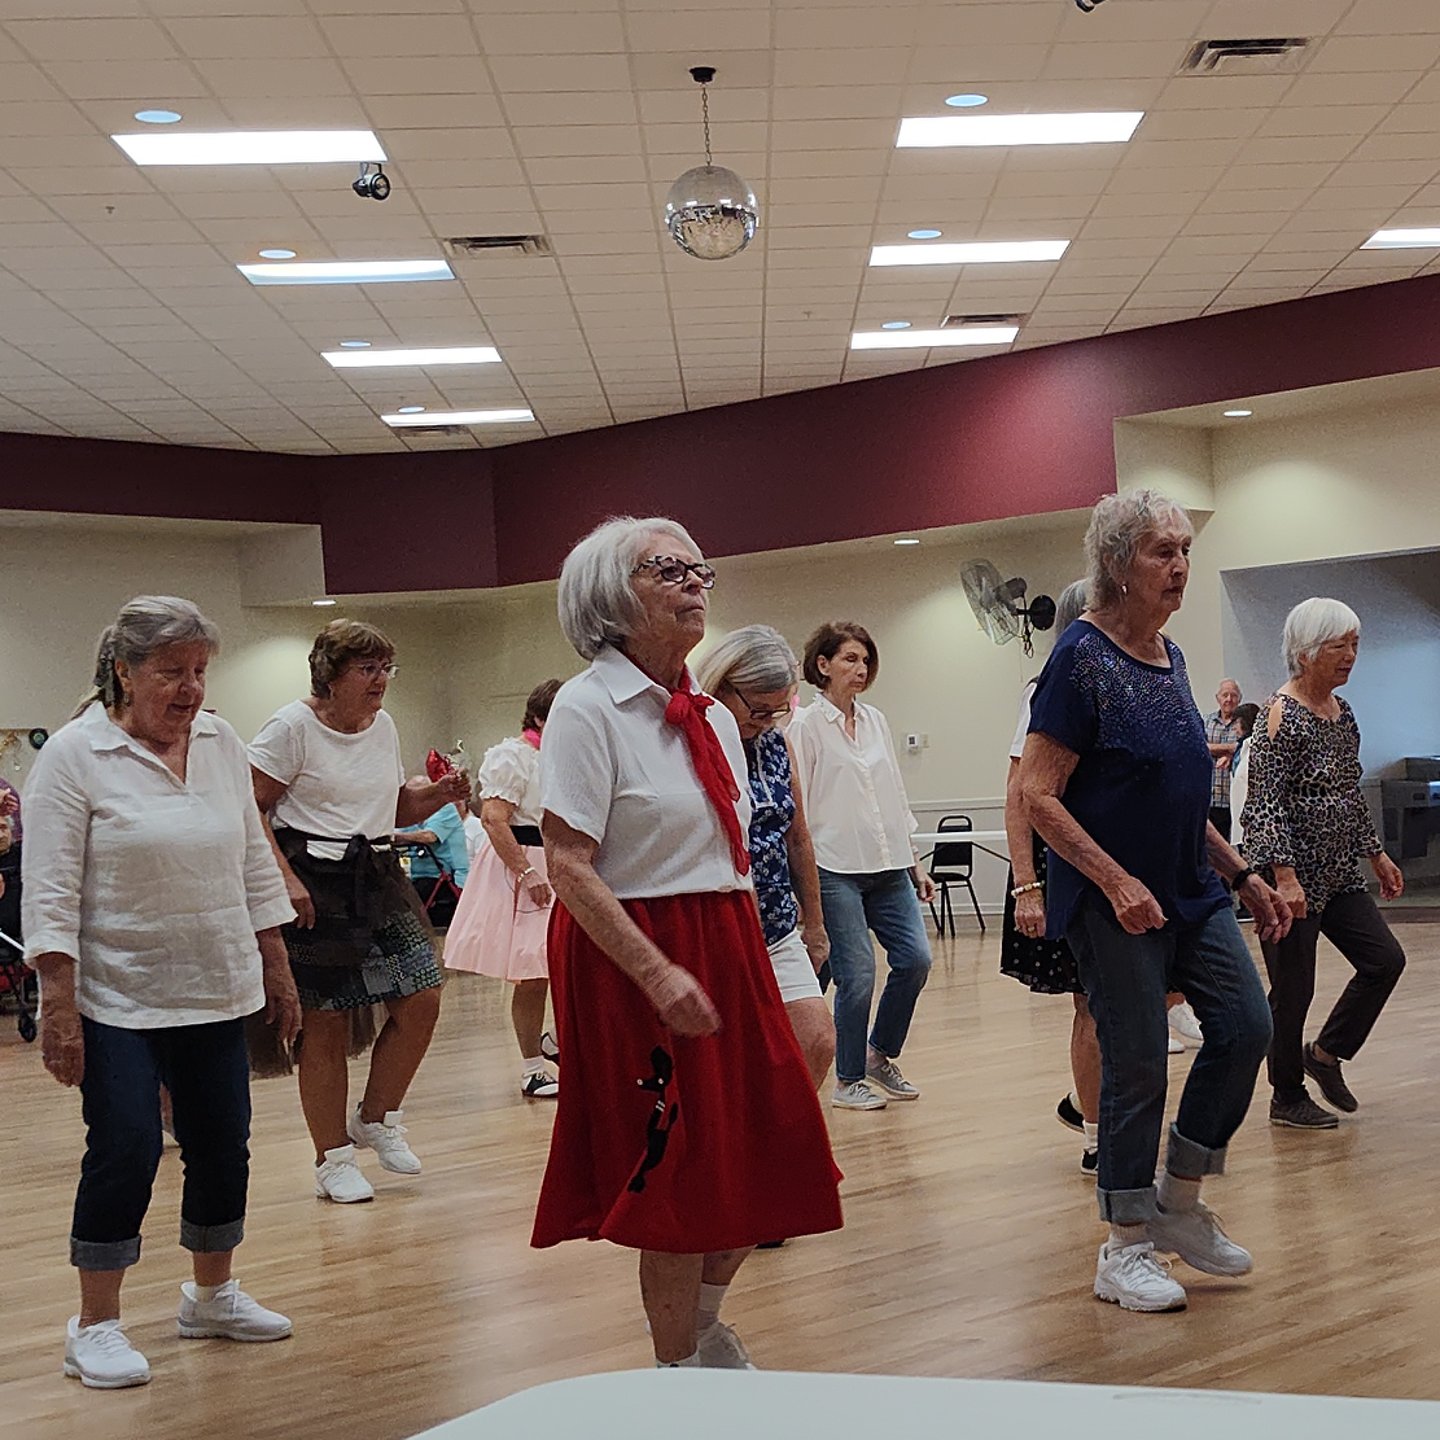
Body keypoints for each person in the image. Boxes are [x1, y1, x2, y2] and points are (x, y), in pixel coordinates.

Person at [533, 516, 842, 1370]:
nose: (692, 581)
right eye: (665, 569)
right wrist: (655, 969)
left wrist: (769, 942)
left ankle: (702, 1324)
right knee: (673, 1171)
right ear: (608, 596)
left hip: (728, 937)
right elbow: (567, 862)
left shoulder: (709, 714)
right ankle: (675, 1375)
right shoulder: (587, 707)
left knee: (767, 1148)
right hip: (637, 949)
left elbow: (742, 854)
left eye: (697, 567)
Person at [1020, 489, 1291, 1316]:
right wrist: (1113, 880)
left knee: (1248, 1025)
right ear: (1116, 566)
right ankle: (1125, 1246)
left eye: (1184, 551)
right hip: (1114, 903)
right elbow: (1037, 793)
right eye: (1160, 552)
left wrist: (1242, 873)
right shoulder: (1079, 657)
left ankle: (1178, 1200)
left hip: (1192, 890)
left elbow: (1177, 796)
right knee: (1137, 1061)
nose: (1178, 566)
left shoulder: (1168, 659)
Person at [21, 596, 300, 1389]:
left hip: (215, 984)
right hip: (117, 995)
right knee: (127, 1148)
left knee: (222, 1145)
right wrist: (60, 1008)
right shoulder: (75, 756)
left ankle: (211, 1296)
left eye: (200, 672)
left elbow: (252, 858)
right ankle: (96, 1324)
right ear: (123, 670)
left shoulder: (219, 742)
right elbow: (47, 892)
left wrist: (275, 966)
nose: (190, 690)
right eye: (171, 672)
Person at [249, 620, 469, 1203]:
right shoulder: (291, 727)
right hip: (312, 878)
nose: (381, 682)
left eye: (385, 669)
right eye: (367, 670)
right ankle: (333, 1159)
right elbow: (250, 810)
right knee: (323, 1020)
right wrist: (284, 879)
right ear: (331, 675)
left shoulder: (385, 726)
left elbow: (392, 804)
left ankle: (375, 1116)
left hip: (374, 874)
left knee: (421, 995)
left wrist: (440, 795)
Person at [1242, 598, 1406, 1130]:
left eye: (1355, 644)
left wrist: (1375, 853)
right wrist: (1283, 878)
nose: (1351, 656)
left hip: (1339, 875)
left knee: (1384, 960)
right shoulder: (1279, 716)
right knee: (1293, 989)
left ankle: (1326, 1054)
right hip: (1289, 881)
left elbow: (1346, 792)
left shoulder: (1341, 713)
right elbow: (1262, 806)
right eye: (1340, 645)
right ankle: (1285, 1095)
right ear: (1307, 652)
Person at [788, 622, 935, 1111]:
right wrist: (803, 883)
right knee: (857, 974)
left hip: (888, 865)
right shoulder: (804, 727)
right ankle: (848, 1078)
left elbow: (891, 795)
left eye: (866, 660)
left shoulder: (875, 720)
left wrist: (914, 863)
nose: (861, 668)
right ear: (823, 666)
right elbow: (798, 809)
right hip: (833, 868)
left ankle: (877, 1054)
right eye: (850, 659)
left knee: (916, 960)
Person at [696, 625, 835, 1090]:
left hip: (775, 923)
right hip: (713, 927)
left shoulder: (775, 743)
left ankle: (779, 1148)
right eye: (757, 709)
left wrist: (814, 925)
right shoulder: (690, 736)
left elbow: (798, 838)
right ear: (722, 685)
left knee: (816, 1039)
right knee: (725, 1058)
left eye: (778, 710)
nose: (765, 720)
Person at [1000, 580, 1099, 1173]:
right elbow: (1019, 792)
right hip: (1066, 863)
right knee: (1090, 1004)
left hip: (1134, 860)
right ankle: (1096, 1134)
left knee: (1169, 989)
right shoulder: (1046, 692)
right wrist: (1025, 885)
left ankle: (1080, 1098)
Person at [442, 679, 564, 1099]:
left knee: (562, 967)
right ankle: (532, 1067)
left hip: (561, 861)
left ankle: (554, 1042)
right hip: (525, 863)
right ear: (540, 718)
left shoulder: (562, 753)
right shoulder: (513, 757)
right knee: (530, 974)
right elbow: (494, 819)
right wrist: (526, 874)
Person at [398, 796, 470, 926]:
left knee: (403, 902)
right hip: (420, 878)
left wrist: (391, 835)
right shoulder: (410, 814)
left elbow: (429, 836)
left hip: (449, 880)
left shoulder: (446, 809)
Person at [1205, 679, 1244, 840]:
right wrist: (1230, 749)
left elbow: (1247, 748)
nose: (1229, 699)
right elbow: (1201, 748)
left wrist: (1217, 749)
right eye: (1225, 695)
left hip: (1233, 801)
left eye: (1233, 695)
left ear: (1239, 699)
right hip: (1209, 797)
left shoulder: (1244, 722)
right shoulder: (1206, 721)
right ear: (1217, 698)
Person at [1228, 703, 1260, 853]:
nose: (1235, 728)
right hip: (1240, 819)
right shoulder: (1242, 748)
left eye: (1237, 722)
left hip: (1253, 824)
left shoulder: (1257, 749)